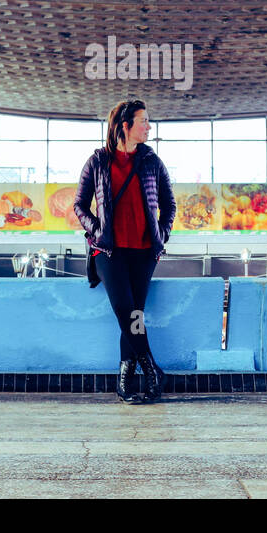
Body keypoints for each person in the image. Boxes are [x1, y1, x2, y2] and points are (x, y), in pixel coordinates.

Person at [73, 99, 175, 404]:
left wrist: (162, 235)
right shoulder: (97, 162)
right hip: (108, 252)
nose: (149, 126)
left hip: (144, 252)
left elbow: (170, 206)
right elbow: (79, 205)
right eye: (143, 121)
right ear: (125, 126)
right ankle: (152, 370)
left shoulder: (152, 162)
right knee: (127, 311)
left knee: (134, 315)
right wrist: (97, 231)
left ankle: (125, 381)